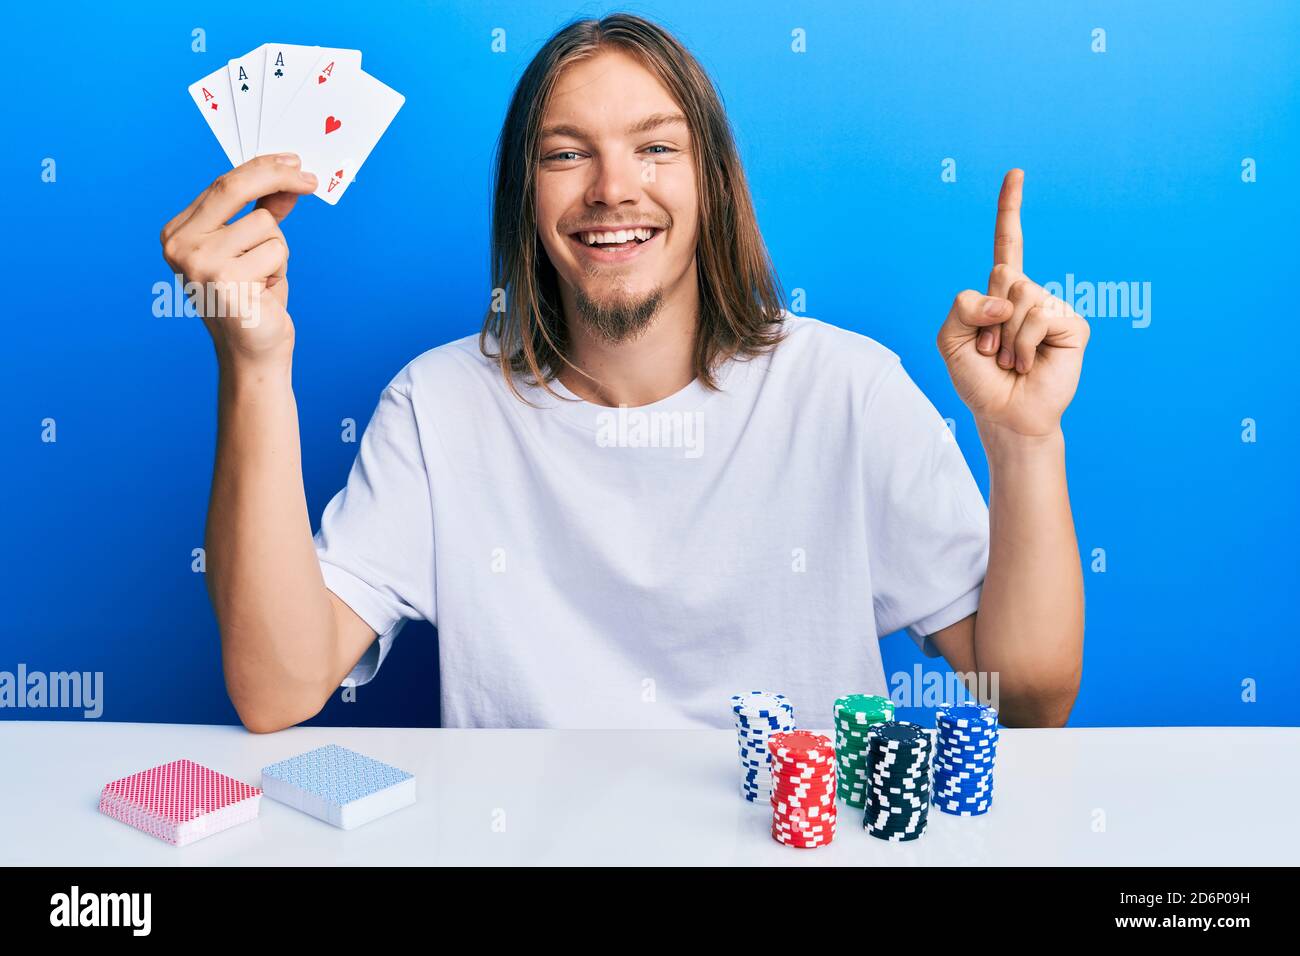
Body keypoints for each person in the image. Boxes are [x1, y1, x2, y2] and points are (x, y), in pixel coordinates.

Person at [159, 13, 1088, 731]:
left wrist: (1022, 440)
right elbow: (278, 688)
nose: (613, 188)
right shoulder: (437, 406)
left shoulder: (849, 390)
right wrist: (253, 360)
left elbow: (1030, 700)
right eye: (567, 154)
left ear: (710, 182)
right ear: (526, 198)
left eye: (655, 147)